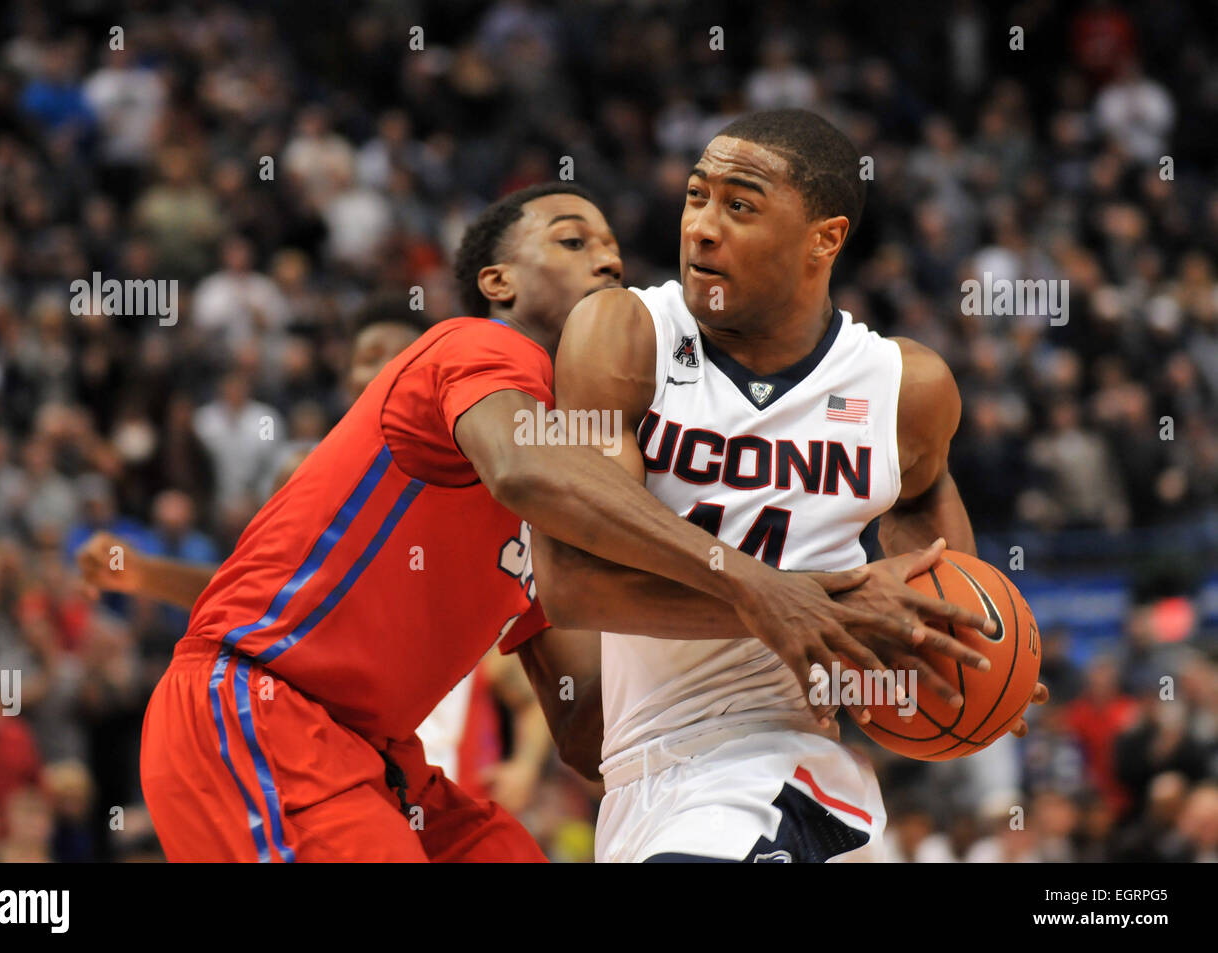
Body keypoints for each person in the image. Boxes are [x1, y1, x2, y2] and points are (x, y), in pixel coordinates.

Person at [130, 181, 979, 862]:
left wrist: (845, 677)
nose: (606, 258)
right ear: (498, 283)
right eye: (573, 240)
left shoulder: (597, 487)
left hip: (384, 760)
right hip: (259, 709)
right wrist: (772, 589)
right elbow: (526, 470)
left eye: (612, 245)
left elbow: (587, 726)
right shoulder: (476, 351)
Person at [533, 110, 1046, 863]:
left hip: (786, 773)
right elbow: (574, 582)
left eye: (739, 206)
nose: (703, 227)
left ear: (825, 239)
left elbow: (932, 589)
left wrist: (969, 665)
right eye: (697, 196)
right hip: (640, 782)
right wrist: (792, 601)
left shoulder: (905, 387)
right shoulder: (624, 335)